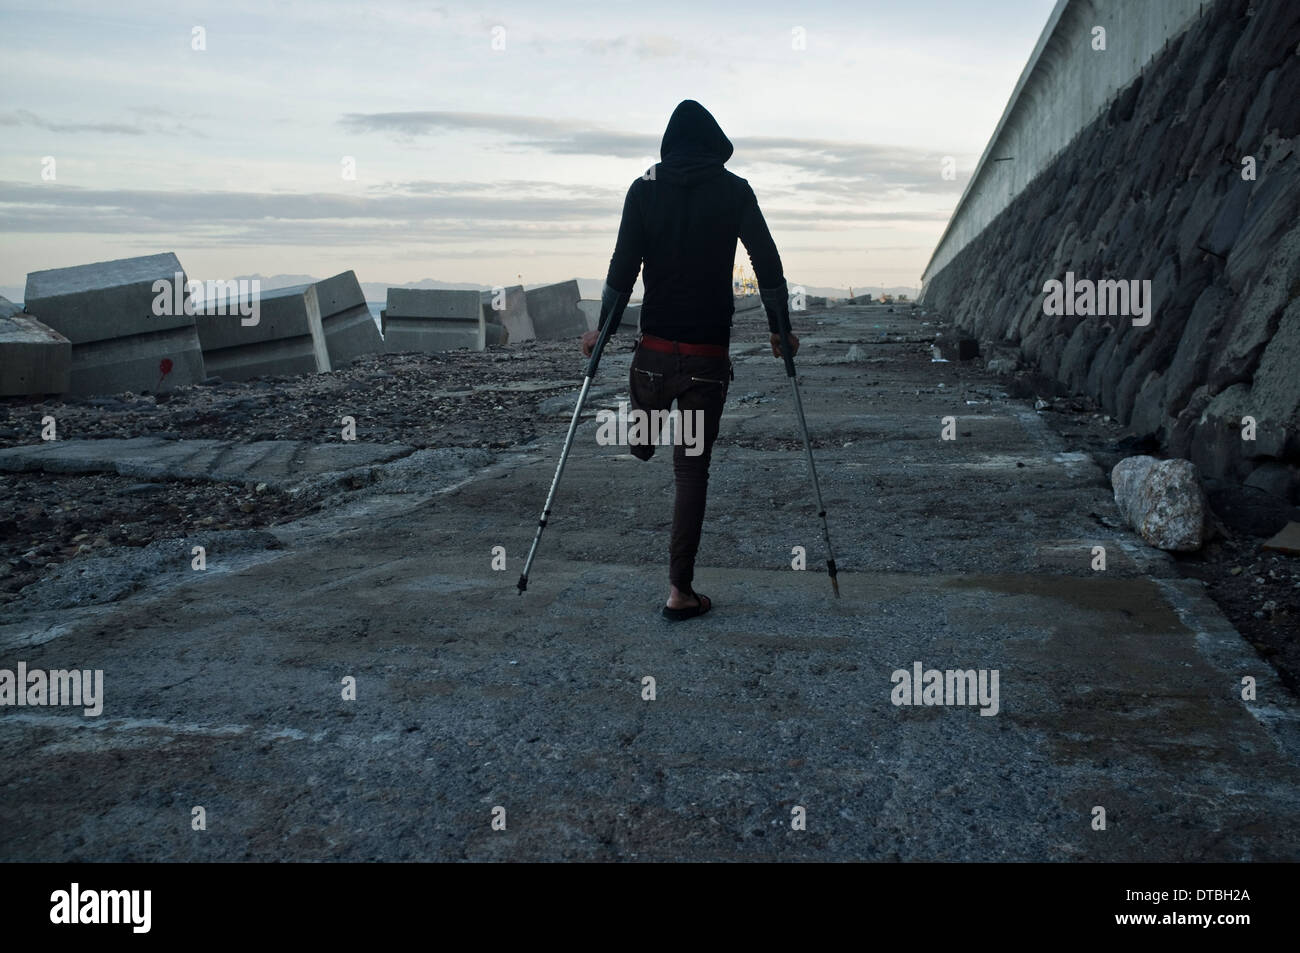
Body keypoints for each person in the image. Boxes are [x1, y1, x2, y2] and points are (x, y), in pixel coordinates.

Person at [581, 99, 797, 621]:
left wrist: (601, 334)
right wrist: (780, 330)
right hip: (705, 359)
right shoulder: (734, 189)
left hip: (652, 357)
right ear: (714, 145)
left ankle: (643, 427)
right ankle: (679, 590)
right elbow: (766, 261)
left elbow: (622, 267)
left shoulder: (643, 188)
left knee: (647, 417)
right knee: (691, 474)